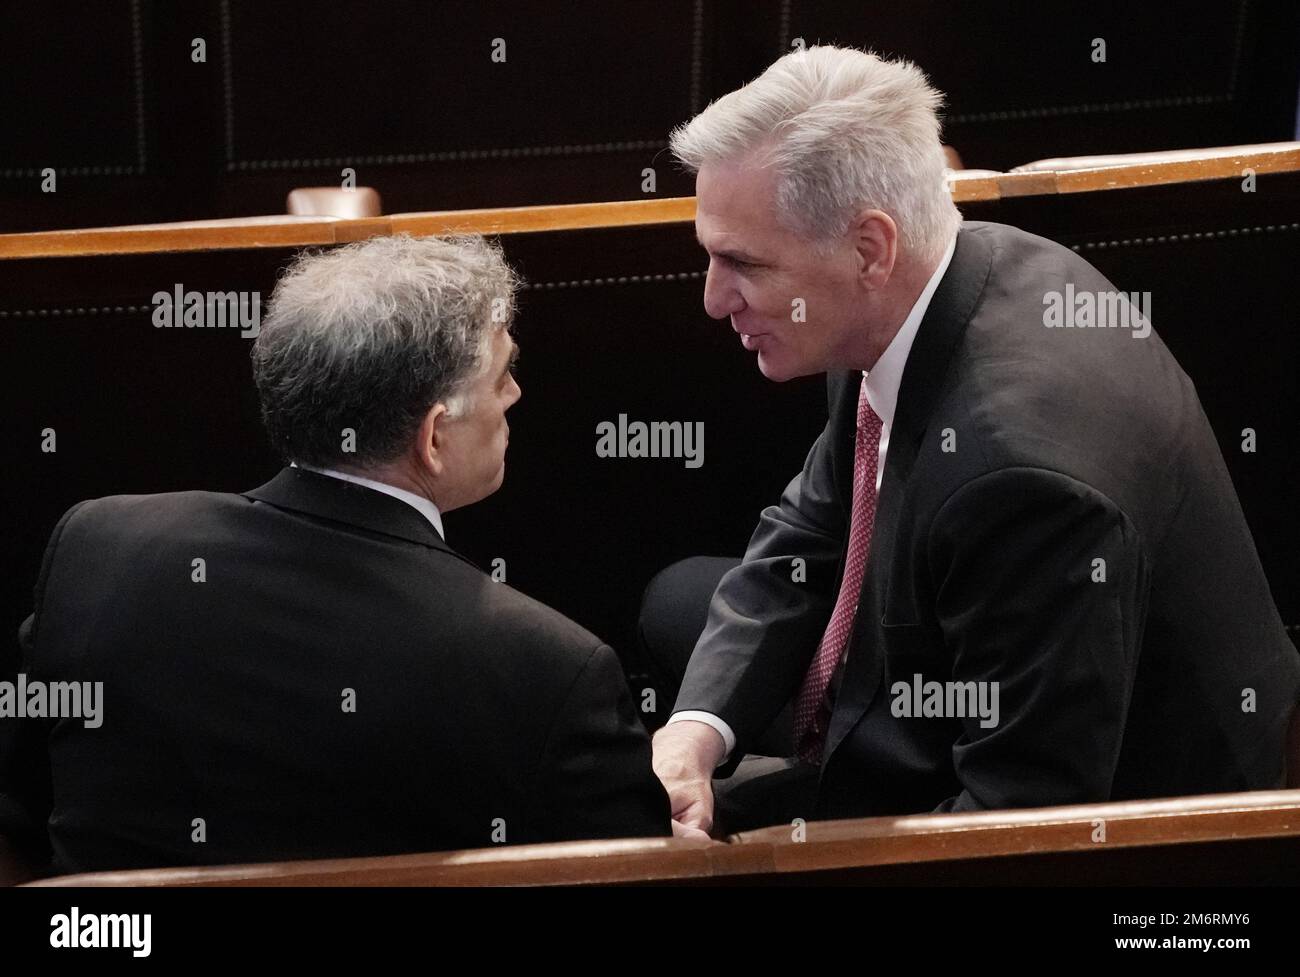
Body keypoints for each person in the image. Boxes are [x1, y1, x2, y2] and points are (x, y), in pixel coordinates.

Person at [644, 46, 1300, 837]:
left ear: (868, 249)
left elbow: (1019, 821)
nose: (714, 299)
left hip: (1148, 821)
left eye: (741, 263)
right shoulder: (916, 287)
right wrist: (693, 734)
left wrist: (767, 851)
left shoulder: (1025, 482)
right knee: (677, 602)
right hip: (957, 662)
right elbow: (815, 523)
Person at [0, 234, 669, 877]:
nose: (514, 393)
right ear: (434, 437)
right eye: (502, 375)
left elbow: (18, 810)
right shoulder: (550, 669)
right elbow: (637, 875)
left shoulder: (98, 548)